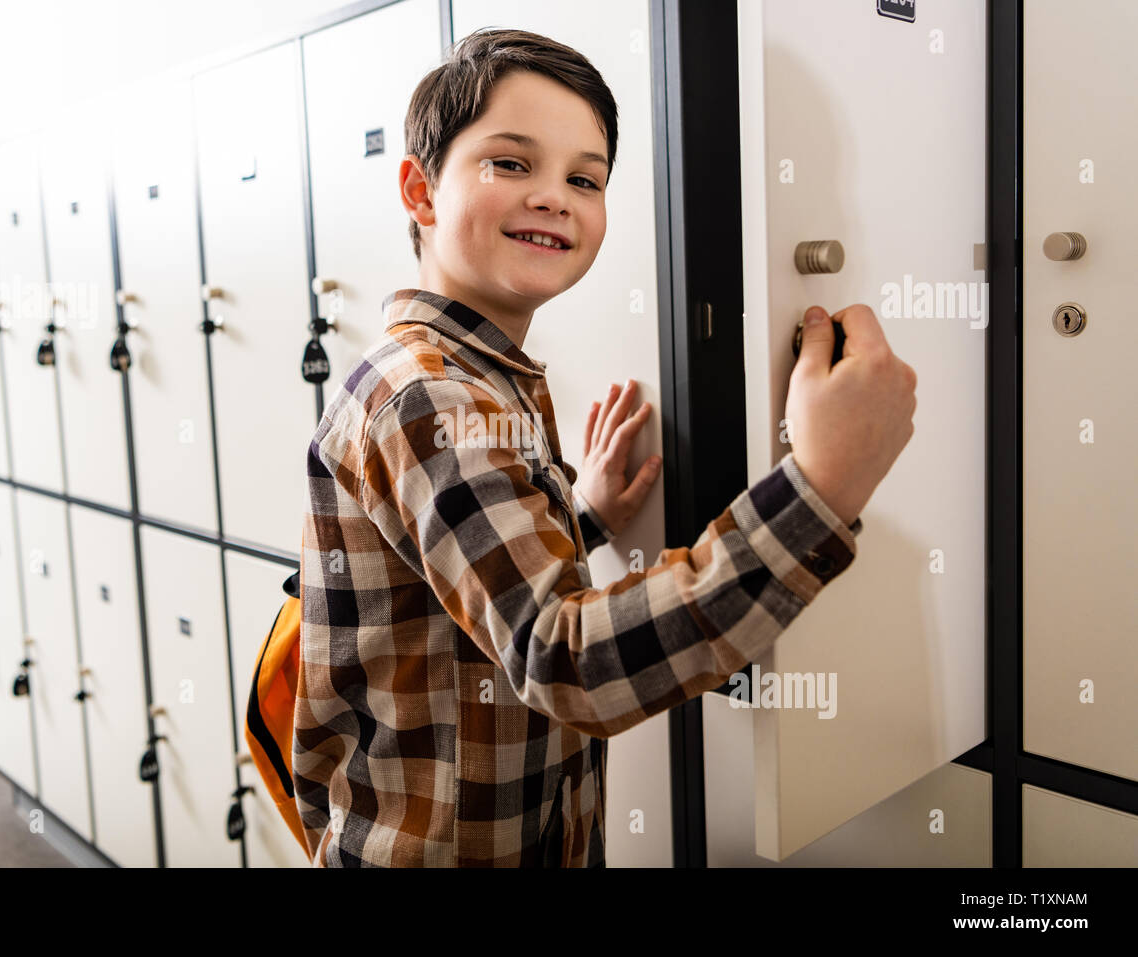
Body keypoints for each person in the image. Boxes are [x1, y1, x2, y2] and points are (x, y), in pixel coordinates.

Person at [293, 28, 916, 867]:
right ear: (421, 190)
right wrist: (823, 486)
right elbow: (563, 658)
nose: (553, 196)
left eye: (583, 178)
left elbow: (467, 591)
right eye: (510, 163)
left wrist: (579, 517)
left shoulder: (472, 373)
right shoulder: (431, 395)